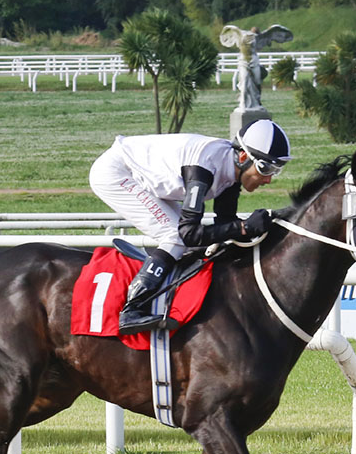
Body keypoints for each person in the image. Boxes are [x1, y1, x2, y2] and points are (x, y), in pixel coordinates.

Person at [89, 118, 291, 334]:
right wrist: (244, 228)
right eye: (265, 168)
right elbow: (190, 233)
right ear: (243, 156)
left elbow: (225, 225)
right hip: (117, 173)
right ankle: (133, 308)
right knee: (174, 237)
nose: (268, 180)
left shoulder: (232, 173)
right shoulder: (203, 168)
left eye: (275, 171)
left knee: (185, 242)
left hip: (142, 177)